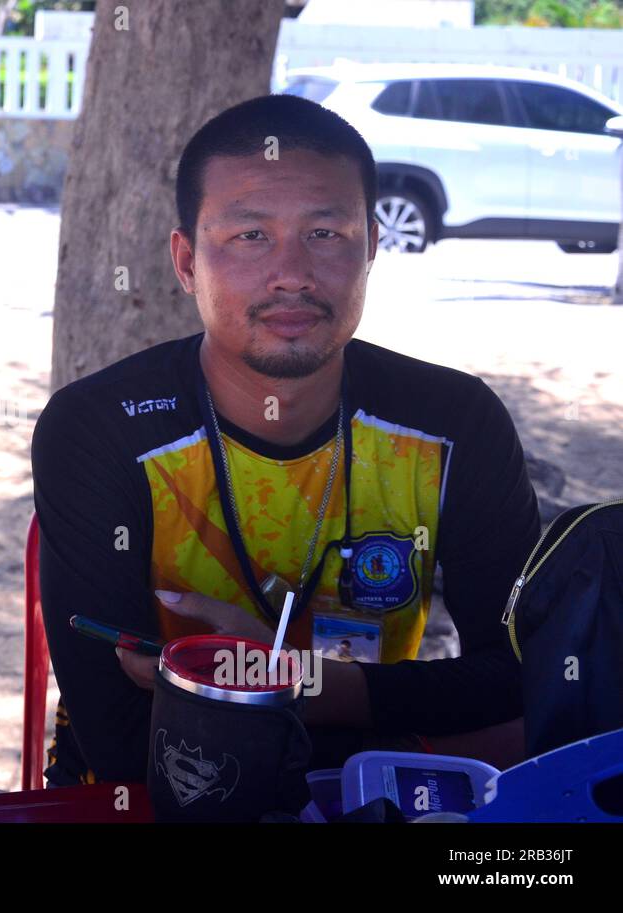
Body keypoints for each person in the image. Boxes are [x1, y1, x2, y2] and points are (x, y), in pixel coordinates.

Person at [32, 93, 540, 787]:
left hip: (374, 791)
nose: (292, 273)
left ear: (372, 248)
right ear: (185, 263)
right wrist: (387, 712)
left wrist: (284, 679)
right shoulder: (101, 428)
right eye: (250, 235)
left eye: (326, 233)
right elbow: (126, 741)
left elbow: (527, 680)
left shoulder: (455, 422)